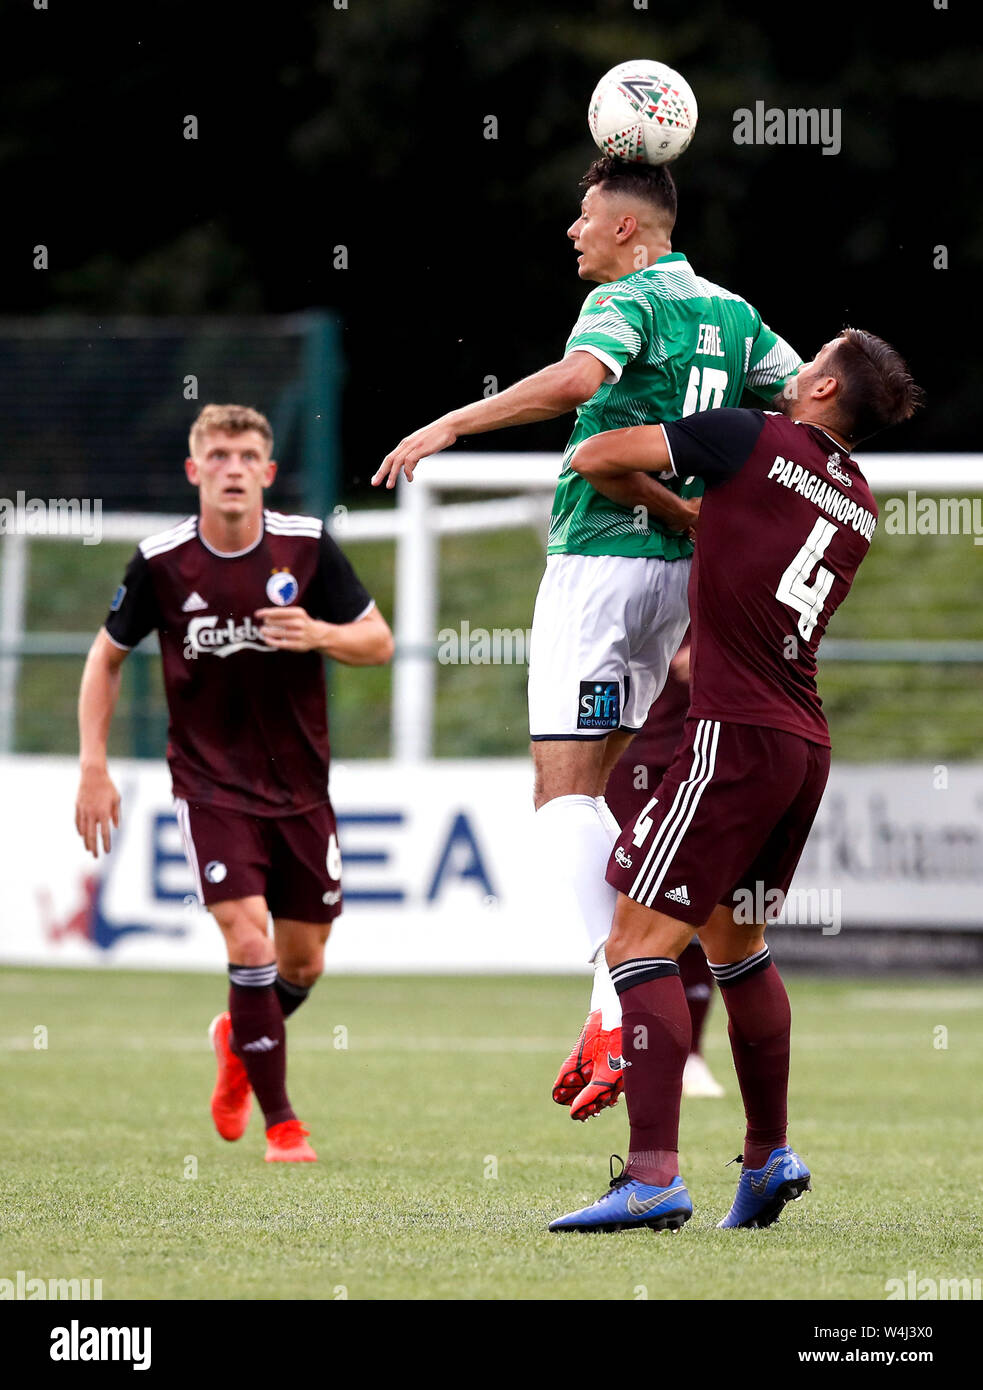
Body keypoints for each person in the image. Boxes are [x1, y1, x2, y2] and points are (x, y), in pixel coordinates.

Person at [372, 156, 800, 1120]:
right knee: (611, 789)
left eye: (583, 216)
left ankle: (616, 1001)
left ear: (626, 230)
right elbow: (807, 397)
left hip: (600, 564)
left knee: (561, 796)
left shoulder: (628, 298)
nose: (571, 231)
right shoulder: (734, 315)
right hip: (681, 578)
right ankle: (629, 994)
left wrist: (454, 420)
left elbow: (576, 383)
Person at [548, 328, 922, 1231]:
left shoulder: (748, 435)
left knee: (637, 944)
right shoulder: (859, 500)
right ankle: (766, 1158)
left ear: (824, 385)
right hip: (801, 745)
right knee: (735, 947)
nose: (793, 369)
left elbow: (595, 455)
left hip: (733, 740)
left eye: (811, 359)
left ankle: (651, 1177)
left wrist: (679, 513)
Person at [75, 404, 394, 1163]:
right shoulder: (161, 562)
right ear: (194, 471)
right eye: (216, 455)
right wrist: (94, 765)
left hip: (302, 790)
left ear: (267, 473)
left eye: (246, 455)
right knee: (246, 937)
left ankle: (237, 1036)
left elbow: (378, 642)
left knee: (303, 961)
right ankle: (283, 1123)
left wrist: (319, 633)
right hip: (209, 784)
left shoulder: (307, 548)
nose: (231, 468)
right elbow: (106, 657)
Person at [602, 635, 725, 1102]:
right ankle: (620, 1043)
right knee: (626, 908)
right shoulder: (620, 569)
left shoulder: (713, 570)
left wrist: (718, 653)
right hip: (627, 758)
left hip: (702, 763)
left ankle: (690, 1054)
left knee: (699, 905)